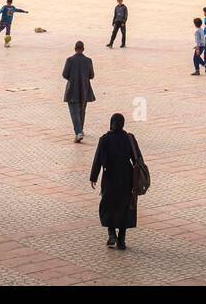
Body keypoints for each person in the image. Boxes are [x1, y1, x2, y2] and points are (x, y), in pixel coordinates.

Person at [90, 113, 144, 251]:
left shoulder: (105, 139)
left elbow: (98, 159)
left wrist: (93, 177)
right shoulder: (129, 138)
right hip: (126, 176)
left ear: (111, 123)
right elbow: (137, 158)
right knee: (124, 206)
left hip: (110, 176)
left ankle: (111, 234)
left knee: (109, 205)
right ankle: (121, 240)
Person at [61, 41, 96, 142]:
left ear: (75, 48)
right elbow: (91, 75)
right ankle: (80, 130)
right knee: (82, 111)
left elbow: (64, 74)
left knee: (74, 112)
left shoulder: (70, 60)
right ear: (83, 49)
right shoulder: (88, 60)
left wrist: (72, 78)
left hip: (72, 89)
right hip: (84, 89)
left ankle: (78, 132)